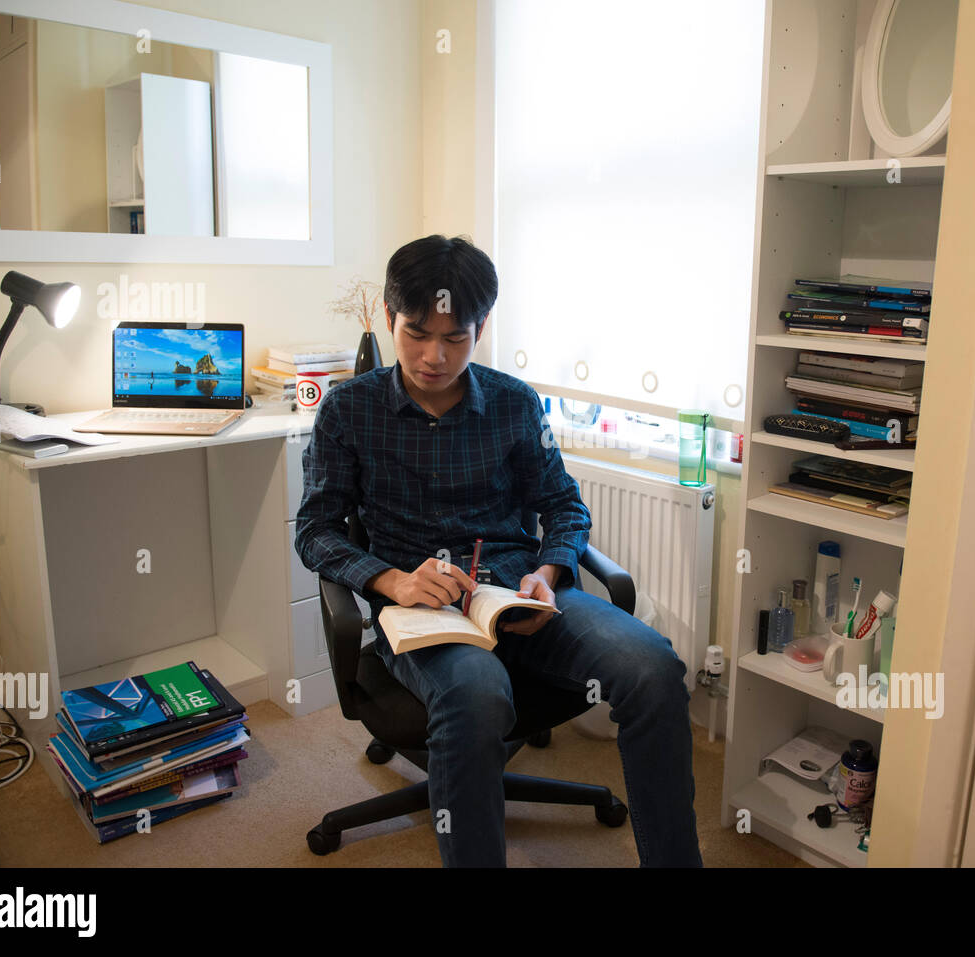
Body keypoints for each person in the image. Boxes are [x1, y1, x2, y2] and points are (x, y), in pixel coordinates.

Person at [295, 235, 703, 867]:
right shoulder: (349, 410)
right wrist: (392, 581)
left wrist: (548, 571)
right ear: (387, 317)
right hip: (423, 613)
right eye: (416, 334)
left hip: (520, 591)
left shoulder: (514, 403)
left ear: (481, 328)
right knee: (478, 697)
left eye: (455, 338)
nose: (433, 356)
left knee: (653, 670)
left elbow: (564, 506)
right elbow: (315, 530)